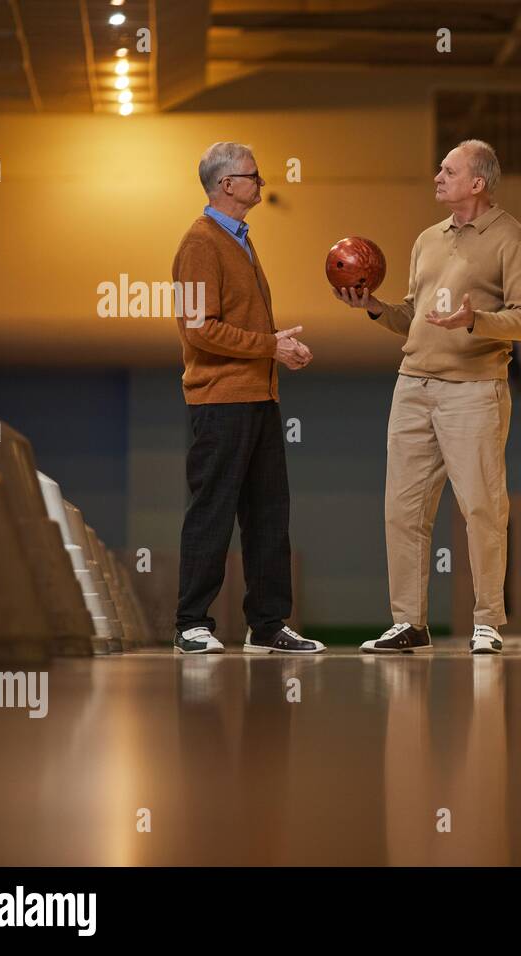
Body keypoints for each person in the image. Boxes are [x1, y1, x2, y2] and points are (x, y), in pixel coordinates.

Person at [335, 139, 521, 654]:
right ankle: (409, 622)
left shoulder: (510, 238)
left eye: (448, 171)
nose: (436, 177)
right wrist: (375, 307)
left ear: (478, 183)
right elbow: (412, 313)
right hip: (411, 386)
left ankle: (488, 621)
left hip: (473, 390)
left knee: (481, 509)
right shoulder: (427, 239)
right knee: (401, 511)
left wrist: (477, 320)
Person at [171, 142, 325, 655]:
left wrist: (281, 349)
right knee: (212, 510)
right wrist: (268, 347)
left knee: (268, 513)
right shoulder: (200, 242)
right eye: (253, 176)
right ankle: (192, 623)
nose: (262, 183)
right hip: (219, 402)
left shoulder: (240, 240)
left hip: (259, 397)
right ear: (226, 185)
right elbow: (198, 329)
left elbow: (239, 324)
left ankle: (267, 625)